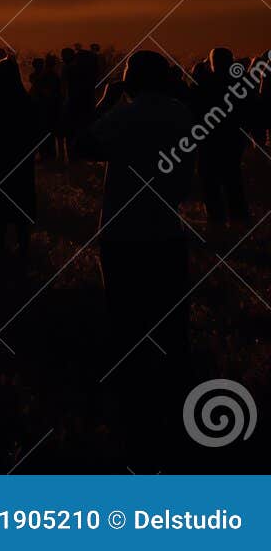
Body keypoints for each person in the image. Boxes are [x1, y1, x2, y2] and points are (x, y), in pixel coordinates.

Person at [76, 51, 194, 454]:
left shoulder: (124, 116)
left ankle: (132, 414)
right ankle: (177, 408)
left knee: (125, 322)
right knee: (171, 325)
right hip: (166, 231)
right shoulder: (181, 114)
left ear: (131, 81)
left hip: (123, 233)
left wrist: (103, 103)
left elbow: (81, 145)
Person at [0, 57, 41, 258]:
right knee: (21, 211)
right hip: (21, 164)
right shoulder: (27, 102)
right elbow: (37, 133)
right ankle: (23, 250)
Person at [193, 46, 254, 227]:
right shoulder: (240, 83)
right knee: (232, 178)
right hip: (233, 138)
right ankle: (239, 218)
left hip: (209, 140)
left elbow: (195, 105)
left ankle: (216, 219)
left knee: (209, 180)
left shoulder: (205, 83)